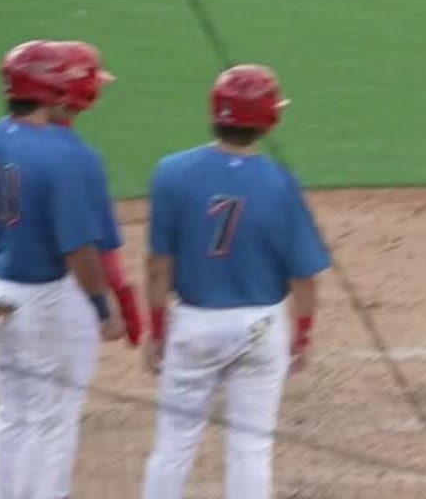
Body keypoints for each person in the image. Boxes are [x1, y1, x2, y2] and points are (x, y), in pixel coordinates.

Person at [141, 64, 332, 499]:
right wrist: (301, 336)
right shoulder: (282, 183)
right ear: (269, 119)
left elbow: (157, 264)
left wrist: (157, 329)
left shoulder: (171, 172)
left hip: (192, 324)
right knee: (251, 448)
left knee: (173, 444)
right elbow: (305, 277)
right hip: (260, 329)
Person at [0, 40, 126, 499]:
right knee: (54, 420)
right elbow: (79, 249)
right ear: (59, 91)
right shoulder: (69, 155)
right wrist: (102, 307)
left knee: (14, 410)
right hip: (46, 299)